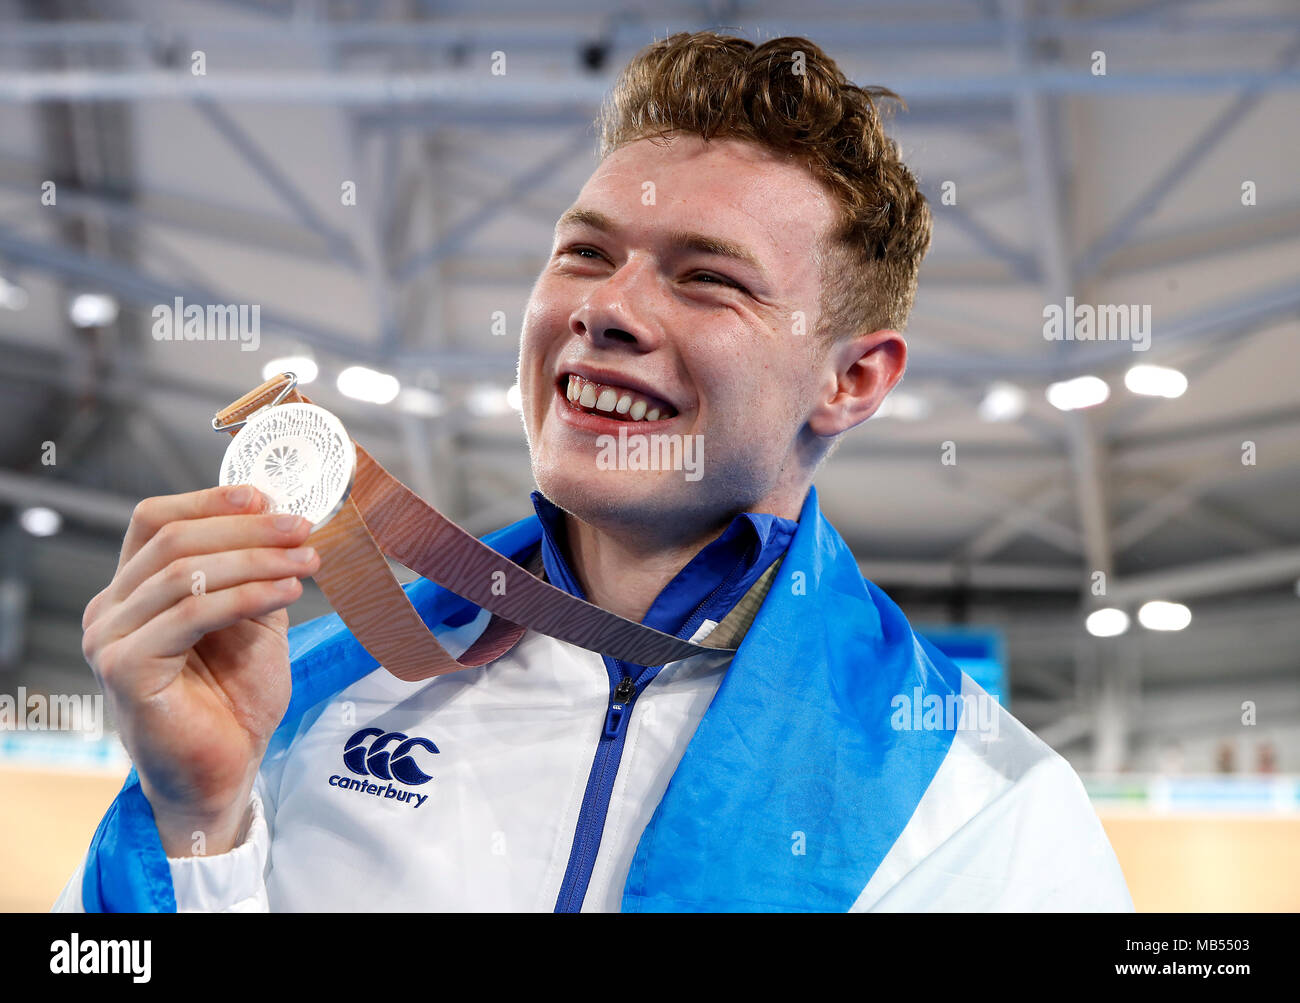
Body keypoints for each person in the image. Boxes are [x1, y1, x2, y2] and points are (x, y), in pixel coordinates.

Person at [56, 31, 1132, 912]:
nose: (605, 308)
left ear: (850, 380)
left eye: (707, 279)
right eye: (583, 252)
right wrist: (196, 824)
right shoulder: (307, 696)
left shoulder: (984, 803)